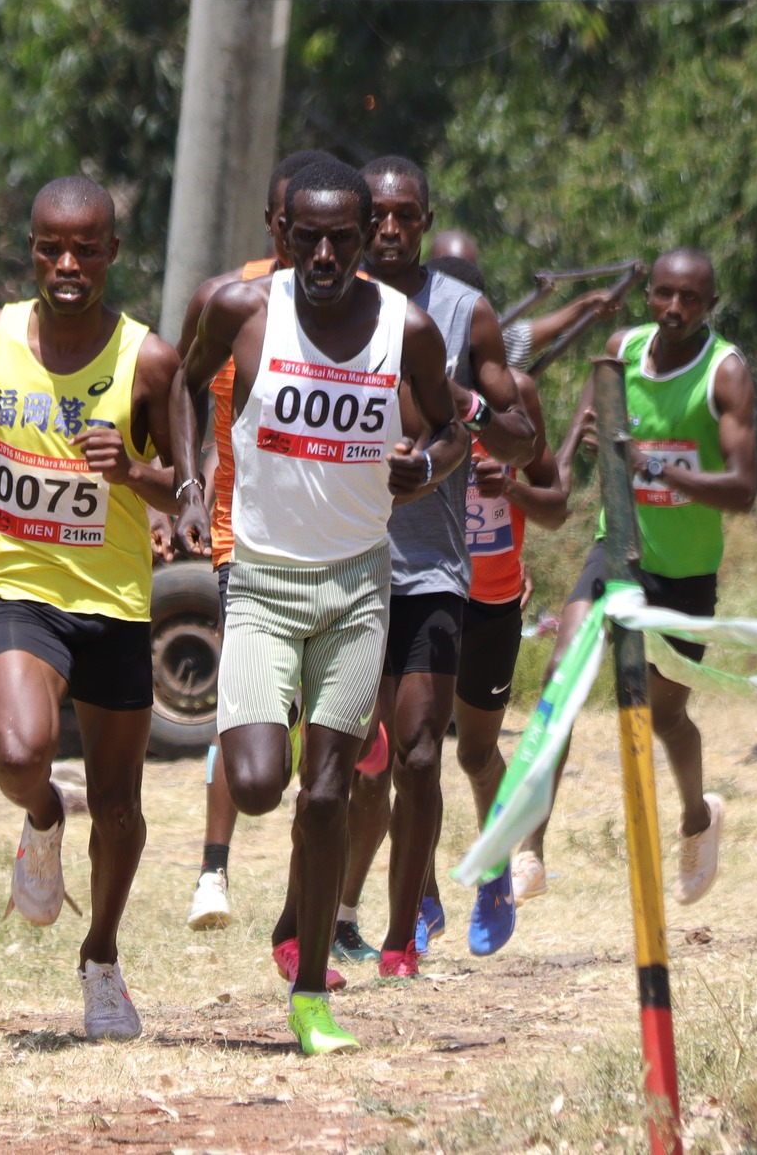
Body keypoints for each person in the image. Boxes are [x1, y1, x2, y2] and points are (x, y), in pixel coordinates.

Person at [172, 157, 473, 1055]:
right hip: (262, 583)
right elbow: (185, 384)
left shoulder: (405, 328)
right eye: (310, 237)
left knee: (329, 791)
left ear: (369, 235)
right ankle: (293, 720)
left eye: (346, 236)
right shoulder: (242, 312)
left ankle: (310, 996)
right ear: (285, 236)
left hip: (357, 587)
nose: (330, 253)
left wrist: (430, 466)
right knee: (262, 782)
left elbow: (459, 424)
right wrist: (192, 482)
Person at [0, 175, 193, 1042]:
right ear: (31, 250)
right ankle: (43, 818)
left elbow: (188, 495)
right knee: (18, 753)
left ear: (112, 255)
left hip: (116, 601)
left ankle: (101, 961)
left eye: (86, 248)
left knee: (121, 805)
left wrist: (131, 473)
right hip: (22, 585)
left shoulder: (148, 360)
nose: (67, 263)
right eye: (52, 246)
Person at [515, 249, 756, 907]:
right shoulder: (620, 351)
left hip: (685, 573)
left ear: (710, 303)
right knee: (561, 678)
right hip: (615, 552)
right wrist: (570, 458)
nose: (675, 309)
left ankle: (697, 819)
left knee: (663, 712)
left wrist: (659, 468)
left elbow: (742, 488)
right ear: (648, 296)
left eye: (690, 299)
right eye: (664, 295)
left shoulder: (724, 372)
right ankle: (530, 846)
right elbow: (567, 465)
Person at [343, 156, 536, 976]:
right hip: (344, 560)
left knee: (424, 748)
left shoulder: (465, 312)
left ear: (424, 221)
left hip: (430, 568)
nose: (390, 229)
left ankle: (404, 931)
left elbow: (521, 431)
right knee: (368, 755)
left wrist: (474, 413)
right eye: (377, 215)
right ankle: (402, 890)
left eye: (406, 215)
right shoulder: (322, 302)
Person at [177, 147, 332, 932]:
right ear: (275, 222)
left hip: (332, 545)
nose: (301, 239)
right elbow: (198, 394)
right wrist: (192, 485)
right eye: (287, 223)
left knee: (317, 726)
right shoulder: (235, 299)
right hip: (245, 535)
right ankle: (213, 869)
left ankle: (305, 908)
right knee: (244, 709)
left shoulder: (351, 305)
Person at [456, 366, 568, 954]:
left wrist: (512, 489)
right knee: (407, 750)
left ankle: (495, 866)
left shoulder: (515, 396)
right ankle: (415, 906)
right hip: (418, 592)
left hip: (494, 603)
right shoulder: (398, 376)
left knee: (475, 753)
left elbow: (556, 508)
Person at [426, 230, 625, 371]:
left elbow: (524, 335)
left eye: (465, 279)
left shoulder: (482, 332)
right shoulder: (410, 323)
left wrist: (586, 304)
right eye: (448, 277)